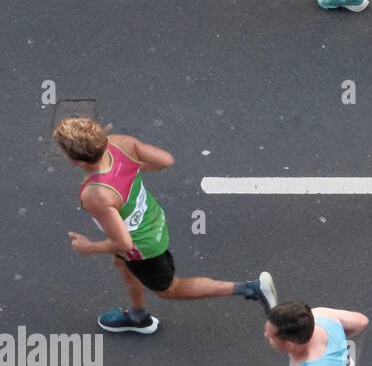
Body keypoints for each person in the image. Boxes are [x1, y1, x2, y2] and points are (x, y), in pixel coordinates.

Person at [54, 117, 276, 334]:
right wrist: (129, 170)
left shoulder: (96, 194)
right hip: (153, 217)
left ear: (78, 161)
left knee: (170, 289)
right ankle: (137, 315)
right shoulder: (120, 143)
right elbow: (166, 160)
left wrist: (88, 247)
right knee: (122, 263)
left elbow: (123, 242)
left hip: (143, 245)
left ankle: (251, 288)